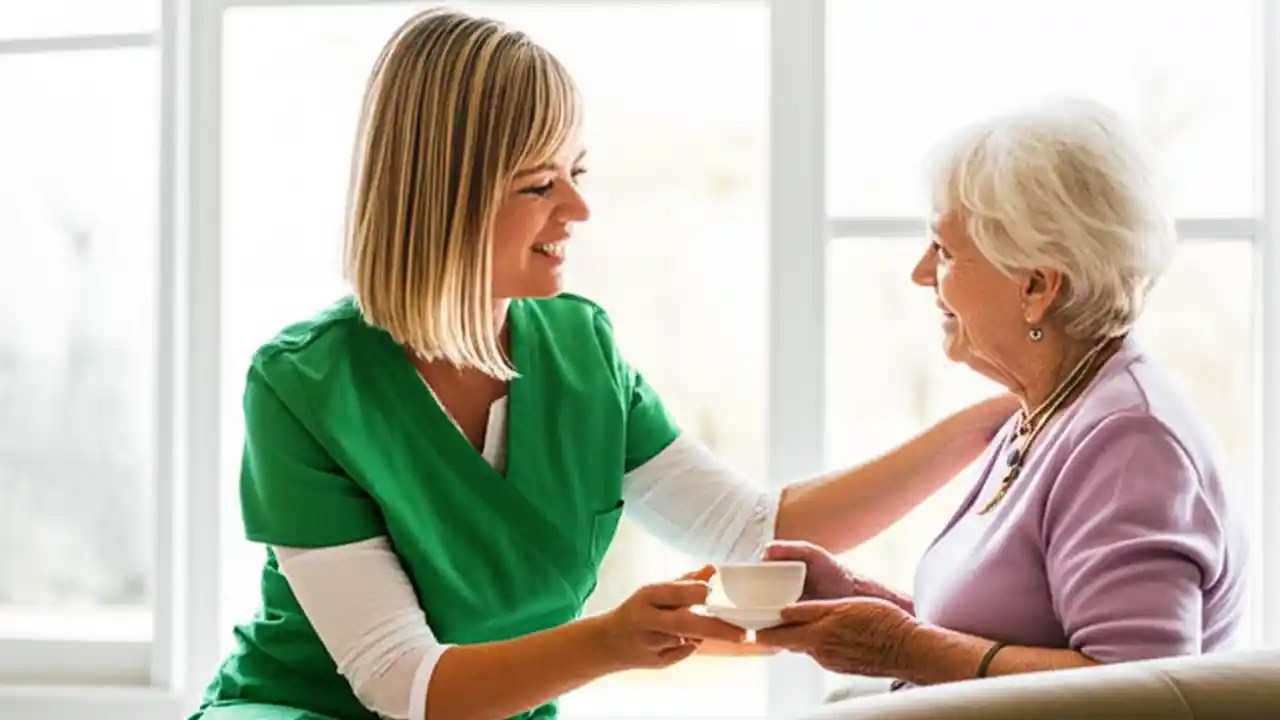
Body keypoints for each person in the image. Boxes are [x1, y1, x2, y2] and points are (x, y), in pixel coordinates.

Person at [189, 8, 1015, 720]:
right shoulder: (305, 385)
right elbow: (405, 686)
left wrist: (987, 424)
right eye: (538, 185)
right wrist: (615, 638)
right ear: (445, 195)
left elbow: (756, 531)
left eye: (575, 173)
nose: (578, 209)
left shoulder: (580, 350)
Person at [758, 99, 1248, 689]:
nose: (920, 272)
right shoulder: (1052, 410)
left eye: (943, 251)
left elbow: (1135, 690)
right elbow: (1016, 641)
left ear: (1036, 287)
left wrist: (896, 646)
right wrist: (862, 602)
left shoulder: (1131, 443)